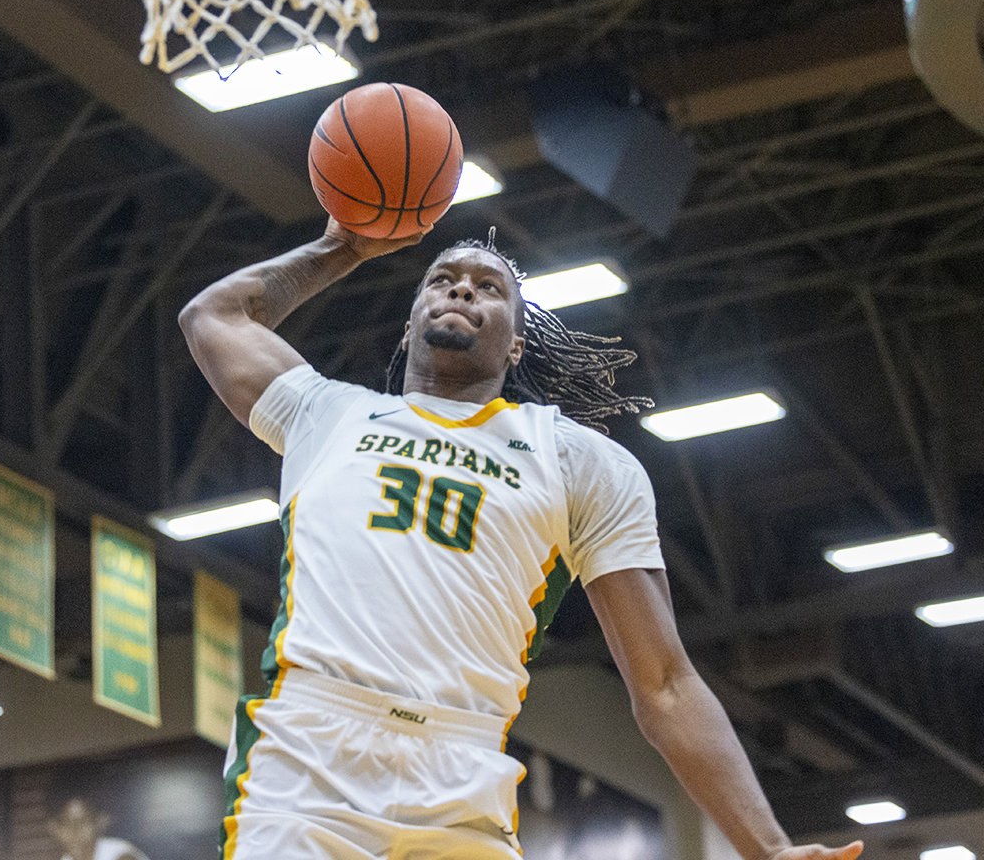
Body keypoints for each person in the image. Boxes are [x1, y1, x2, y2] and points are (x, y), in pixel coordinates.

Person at [179, 222, 862, 860]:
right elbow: (213, 316)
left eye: (489, 285)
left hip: (463, 762)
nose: (462, 288)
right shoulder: (323, 411)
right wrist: (346, 245)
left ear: (515, 345)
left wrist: (768, 848)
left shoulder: (578, 460)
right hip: (307, 752)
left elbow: (667, 685)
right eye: (441, 279)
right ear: (409, 322)